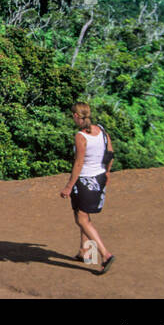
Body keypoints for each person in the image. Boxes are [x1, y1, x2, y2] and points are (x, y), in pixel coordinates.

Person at [60, 102, 115, 274]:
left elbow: (79, 163)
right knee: (85, 214)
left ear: (76, 116)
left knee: (81, 219)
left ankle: (105, 254)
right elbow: (111, 153)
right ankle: (86, 253)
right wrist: (107, 172)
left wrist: (68, 186)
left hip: (84, 180)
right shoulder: (102, 130)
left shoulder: (80, 136)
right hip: (99, 177)